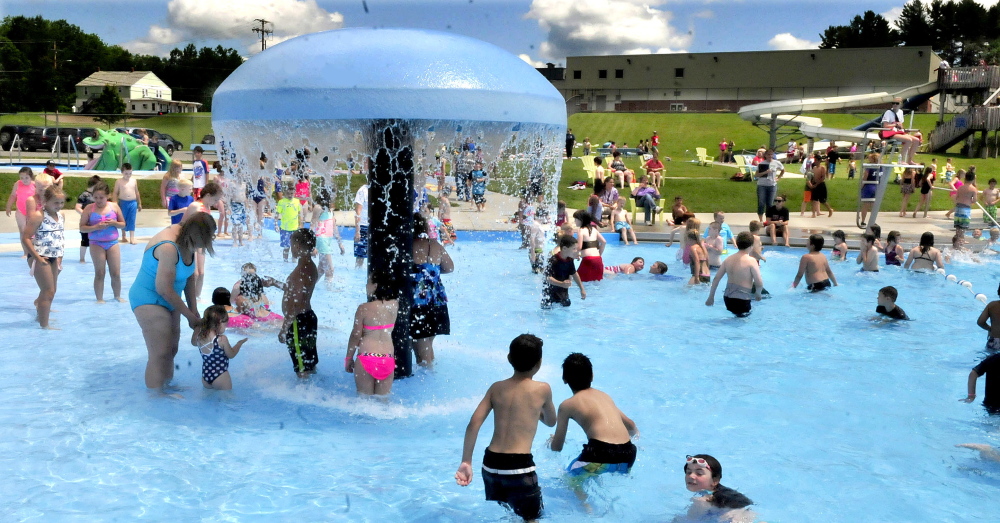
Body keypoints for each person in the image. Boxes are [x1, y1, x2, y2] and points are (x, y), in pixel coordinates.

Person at [456, 334, 556, 522]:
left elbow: (473, 424)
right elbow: (551, 421)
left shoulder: (496, 388)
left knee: (508, 513)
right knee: (531, 518)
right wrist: (536, 411)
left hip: (490, 466)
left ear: (509, 358)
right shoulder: (543, 389)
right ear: (539, 363)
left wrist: (466, 462)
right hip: (519, 468)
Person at [130, 213, 216, 389]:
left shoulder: (187, 240)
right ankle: (156, 395)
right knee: (159, 352)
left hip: (171, 298)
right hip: (149, 298)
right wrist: (189, 317)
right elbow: (163, 288)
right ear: (198, 235)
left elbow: (188, 276)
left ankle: (165, 386)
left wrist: (194, 310)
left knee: (171, 350)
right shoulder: (169, 247)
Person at [548, 353, 638, 491]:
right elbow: (631, 425)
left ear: (564, 379)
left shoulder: (567, 405)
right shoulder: (604, 396)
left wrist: (551, 442)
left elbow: (557, 447)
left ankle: (588, 510)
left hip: (600, 453)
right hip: (629, 453)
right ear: (592, 376)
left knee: (568, 480)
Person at [411, 213, 453, 367]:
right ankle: (430, 373)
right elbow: (449, 268)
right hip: (436, 301)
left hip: (417, 303)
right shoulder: (434, 245)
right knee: (426, 343)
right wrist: (431, 271)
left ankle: (427, 377)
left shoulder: (405, 246)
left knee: (420, 344)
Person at [345, 278, 399, 396]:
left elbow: (355, 335)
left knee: (364, 401)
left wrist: (348, 358)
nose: (366, 285)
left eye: (368, 282)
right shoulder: (395, 305)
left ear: (375, 285)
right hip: (387, 359)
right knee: (382, 402)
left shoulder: (363, 308)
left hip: (367, 357)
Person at [22, 185, 65, 329]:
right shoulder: (38, 216)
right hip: (40, 257)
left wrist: (60, 257)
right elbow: (26, 237)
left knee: (51, 291)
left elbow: (60, 237)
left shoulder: (61, 216)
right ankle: (44, 326)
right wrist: (38, 258)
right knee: (48, 291)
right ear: (45, 201)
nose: (59, 206)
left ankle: (40, 311)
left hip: (54, 257)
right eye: (56, 202)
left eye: (61, 203)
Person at [280, 229, 319, 378]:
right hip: (307, 318)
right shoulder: (309, 266)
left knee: (302, 369)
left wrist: (284, 329)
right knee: (309, 363)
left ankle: (305, 396)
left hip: (298, 322)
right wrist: (274, 283)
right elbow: (296, 291)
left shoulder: (301, 270)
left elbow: (295, 304)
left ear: (296, 245)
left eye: (291, 244)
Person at [80, 181, 125, 303]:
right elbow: (82, 227)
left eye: (101, 198)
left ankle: (117, 296)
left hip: (112, 243)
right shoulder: (89, 208)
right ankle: (99, 299)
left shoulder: (114, 207)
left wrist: (114, 223)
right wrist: (96, 227)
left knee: (115, 272)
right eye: (96, 198)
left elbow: (123, 224)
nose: (98, 200)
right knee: (100, 272)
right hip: (96, 243)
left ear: (108, 196)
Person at [680, 454, 756, 522]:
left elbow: (689, 520)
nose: (691, 476)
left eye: (699, 473)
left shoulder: (703, 501)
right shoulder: (726, 493)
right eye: (688, 472)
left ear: (715, 481)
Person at [706, 231, 763, 317]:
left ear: (737, 243)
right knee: (742, 320)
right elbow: (759, 282)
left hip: (727, 299)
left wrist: (711, 297)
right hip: (742, 299)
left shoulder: (728, 259)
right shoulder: (751, 261)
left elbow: (716, 279)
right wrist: (758, 294)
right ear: (751, 246)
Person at [191, 305, 247, 390]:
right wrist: (239, 344)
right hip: (220, 376)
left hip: (205, 376)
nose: (225, 327)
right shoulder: (221, 339)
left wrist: (198, 327)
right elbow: (231, 354)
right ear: (220, 322)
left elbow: (193, 343)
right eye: (225, 325)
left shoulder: (199, 338)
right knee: (227, 400)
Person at [543, 234, 585, 308]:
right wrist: (562, 284)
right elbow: (548, 278)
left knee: (566, 305)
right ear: (565, 248)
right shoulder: (553, 260)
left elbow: (574, 274)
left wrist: (582, 289)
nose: (576, 251)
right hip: (550, 293)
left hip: (563, 292)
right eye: (574, 249)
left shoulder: (569, 260)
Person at [6, 167, 36, 257]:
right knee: (22, 231)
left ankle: (33, 250)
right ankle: (26, 252)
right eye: (21, 178)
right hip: (20, 210)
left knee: (32, 232)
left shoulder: (35, 185)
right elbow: (12, 195)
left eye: (26, 178)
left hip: (32, 210)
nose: (24, 180)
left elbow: (41, 197)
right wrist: (8, 206)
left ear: (31, 177)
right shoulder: (17, 184)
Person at [880, 97, 920, 164]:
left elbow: (900, 124)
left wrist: (903, 129)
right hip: (890, 132)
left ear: (900, 105)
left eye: (897, 103)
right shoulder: (888, 112)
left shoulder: (901, 112)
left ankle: (909, 160)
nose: (895, 105)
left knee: (916, 140)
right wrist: (895, 125)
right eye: (893, 103)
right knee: (908, 140)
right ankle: (901, 160)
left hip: (898, 132)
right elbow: (885, 126)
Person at [112, 163, 142, 245]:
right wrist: (114, 203)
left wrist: (139, 203)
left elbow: (137, 192)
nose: (128, 175)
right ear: (122, 172)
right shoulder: (119, 181)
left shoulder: (134, 181)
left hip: (133, 202)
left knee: (132, 219)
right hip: (123, 202)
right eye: (126, 173)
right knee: (123, 219)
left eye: (130, 173)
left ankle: (132, 237)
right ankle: (124, 235)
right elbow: (115, 193)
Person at [74, 175, 101, 264]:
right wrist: (86, 215)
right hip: (86, 222)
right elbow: (77, 207)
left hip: (95, 222)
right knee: (85, 241)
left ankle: (97, 257)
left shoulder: (96, 195)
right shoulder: (84, 195)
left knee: (97, 241)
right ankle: (82, 258)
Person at [575, 210, 606, 282]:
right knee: (596, 282)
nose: (574, 221)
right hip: (598, 260)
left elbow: (579, 247)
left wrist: (575, 255)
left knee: (578, 280)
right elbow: (604, 242)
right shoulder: (594, 229)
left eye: (576, 219)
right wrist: (599, 254)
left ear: (581, 220)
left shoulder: (581, 230)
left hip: (588, 260)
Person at [274, 183, 302, 262]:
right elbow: (277, 214)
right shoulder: (282, 202)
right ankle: (285, 261)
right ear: (285, 192)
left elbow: (300, 214)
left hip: (295, 228)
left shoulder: (297, 201)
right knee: (286, 247)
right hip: (285, 229)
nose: (290, 195)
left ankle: (294, 261)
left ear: (294, 193)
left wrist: (300, 224)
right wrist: (276, 224)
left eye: (292, 193)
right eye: (288, 193)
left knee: (295, 247)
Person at [755, 149, 784, 222]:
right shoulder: (762, 163)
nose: (770, 156)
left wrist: (778, 177)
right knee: (761, 203)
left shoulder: (777, 163)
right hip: (762, 185)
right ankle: (761, 220)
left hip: (772, 185)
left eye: (771, 154)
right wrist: (765, 172)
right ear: (765, 155)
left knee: (770, 204)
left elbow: (783, 170)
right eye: (768, 154)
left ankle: (768, 220)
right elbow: (757, 174)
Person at [808, 152, 834, 217]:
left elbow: (823, 177)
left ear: (819, 161)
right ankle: (813, 214)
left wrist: (817, 184)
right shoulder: (814, 168)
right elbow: (813, 177)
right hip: (815, 184)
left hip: (821, 185)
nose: (815, 161)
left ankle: (830, 209)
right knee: (814, 199)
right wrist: (812, 183)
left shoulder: (822, 168)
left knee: (822, 200)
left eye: (816, 160)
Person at [977, 283, 1000, 352]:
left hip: (994, 342)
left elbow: (980, 322)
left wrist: (990, 329)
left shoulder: (992, 305)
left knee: (990, 361)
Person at [354, 182, 369, 268]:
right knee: (360, 256)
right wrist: (357, 231)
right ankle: (357, 272)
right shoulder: (363, 190)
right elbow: (358, 212)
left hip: (374, 227)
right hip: (363, 226)